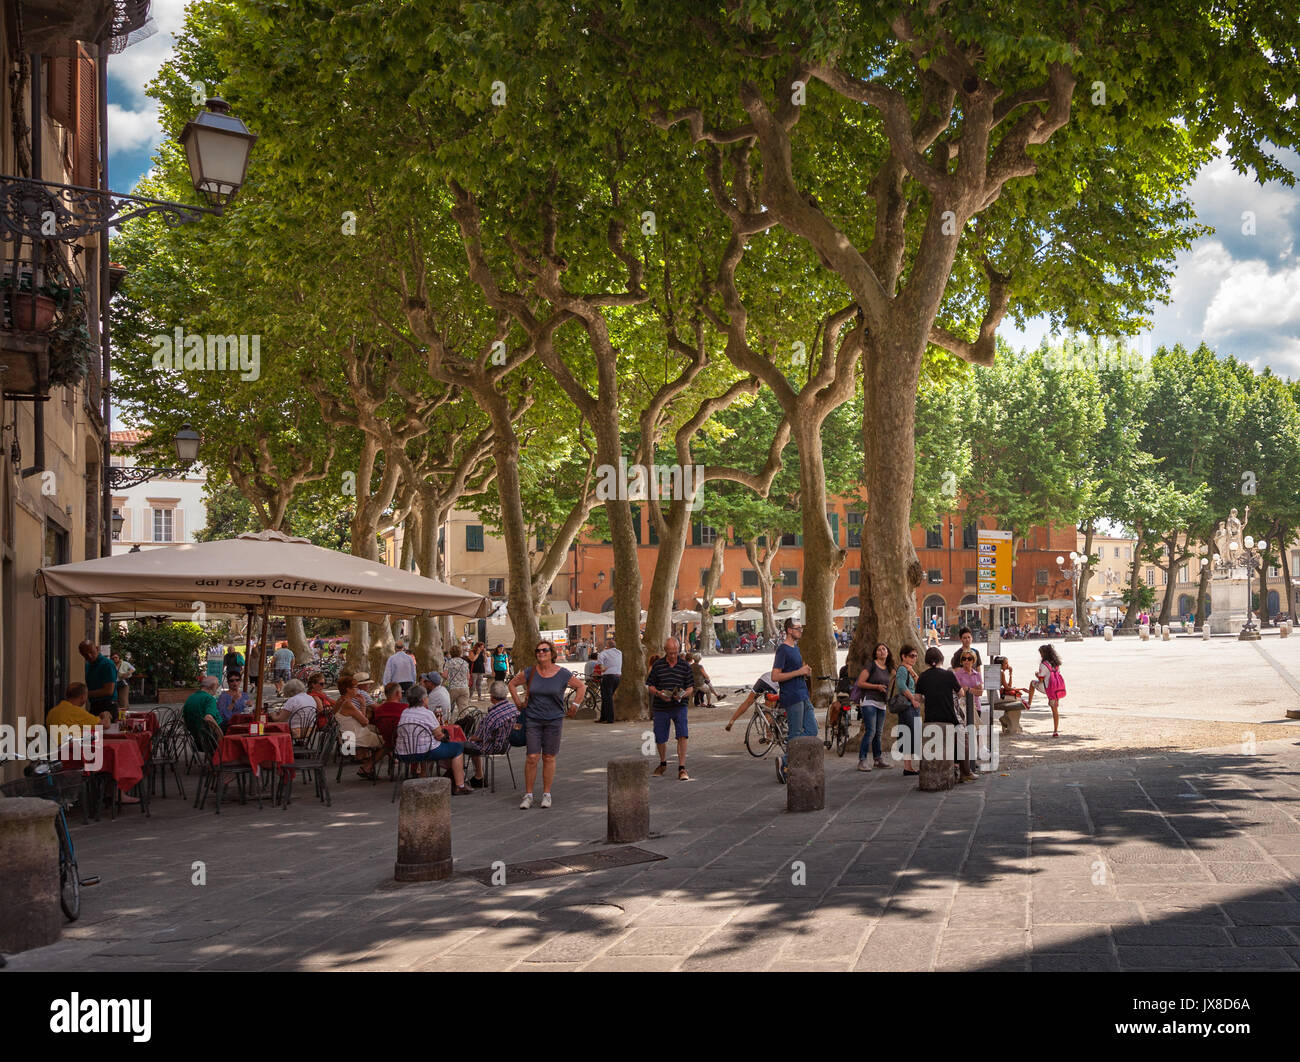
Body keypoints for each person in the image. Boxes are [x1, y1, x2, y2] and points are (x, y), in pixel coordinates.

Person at [507, 639, 584, 809]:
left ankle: (546, 794)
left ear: (552, 653)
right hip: (533, 719)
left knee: (548, 757)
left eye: (545, 650)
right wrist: (518, 702)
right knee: (532, 757)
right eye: (538, 651)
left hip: (554, 720)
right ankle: (528, 795)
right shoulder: (530, 672)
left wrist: (575, 705)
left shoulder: (562, 673)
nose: (541, 653)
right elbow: (512, 684)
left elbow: (581, 687)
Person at [914, 647, 977, 783]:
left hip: (931, 719)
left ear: (927, 661)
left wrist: (930, 698)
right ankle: (965, 772)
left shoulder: (922, 677)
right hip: (950, 718)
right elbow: (961, 693)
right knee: (963, 740)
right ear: (941, 659)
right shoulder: (948, 675)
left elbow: (917, 699)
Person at [394, 686, 472, 793]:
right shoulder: (427, 713)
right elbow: (439, 735)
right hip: (425, 752)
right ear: (423, 699)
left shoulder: (404, 713)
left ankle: (424, 777)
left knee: (426, 745)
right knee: (457, 748)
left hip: (403, 753)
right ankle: (460, 785)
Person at [646, 637, 695, 780]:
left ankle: (682, 767)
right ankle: (662, 763)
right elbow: (650, 686)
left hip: (679, 705)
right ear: (665, 651)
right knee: (660, 736)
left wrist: (683, 694)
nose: (673, 656)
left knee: (682, 734)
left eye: (675, 652)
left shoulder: (685, 666)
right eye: (670, 653)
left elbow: (691, 687)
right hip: (661, 706)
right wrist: (658, 693)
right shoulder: (658, 665)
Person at [772, 618, 816, 773]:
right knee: (795, 733)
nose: (801, 631)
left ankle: (788, 759)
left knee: (812, 730)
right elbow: (775, 676)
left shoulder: (795, 648)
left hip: (803, 694)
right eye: (798, 628)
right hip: (792, 696)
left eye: (801, 628)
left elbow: (796, 671)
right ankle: (786, 764)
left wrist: (804, 671)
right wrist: (799, 672)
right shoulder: (783, 650)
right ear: (789, 630)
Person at [462, 681, 520, 787]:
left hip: (492, 746)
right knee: (474, 743)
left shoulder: (492, 716)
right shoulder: (514, 709)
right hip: (506, 745)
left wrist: (469, 738)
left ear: (492, 697)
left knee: (464, 744)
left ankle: (476, 776)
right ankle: (478, 776)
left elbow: (480, 737)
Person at [334, 675, 385, 778]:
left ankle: (366, 764)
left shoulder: (339, 701)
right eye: (355, 687)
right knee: (388, 743)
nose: (357, 689)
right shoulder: (348, 704)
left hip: (345, 737)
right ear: (348, 689)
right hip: (355, 737)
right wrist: (363, 705)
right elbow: (365, 722)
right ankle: (367, 767)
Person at [855, 642, 894, 772]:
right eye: (879, 650)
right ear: (875, 653)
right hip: (869, 701)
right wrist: (876, 687)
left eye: (884, 649)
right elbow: (860, 682)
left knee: (878, 732)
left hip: (882, 703)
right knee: (870, 731)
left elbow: (897, 676)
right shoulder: (871, 665)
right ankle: (862, 759)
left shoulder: (889, 668)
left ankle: (878, 759)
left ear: (888, 652)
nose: (882, 651)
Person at [890, 646, 924, 774]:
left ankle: (908, 766)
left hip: (911, 705)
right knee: (909, 734)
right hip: (908, 706)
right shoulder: (903, 669)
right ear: (903, 656)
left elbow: (918, 683)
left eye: (915, 656)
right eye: (911, 656)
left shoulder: (909, 669)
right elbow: (902, 686)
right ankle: (908, 766)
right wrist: (913, 699)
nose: (914, 658)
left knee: (911, 734)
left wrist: (913, 673)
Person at [1023, 643, 1066, 737]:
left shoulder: (1043, 665)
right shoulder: (1056, 664)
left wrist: (1037, 674)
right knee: (1055, 710)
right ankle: (1055, 731)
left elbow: (1041, 679)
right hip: (1056, 689)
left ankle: (1029, 703)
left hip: (1046, 688)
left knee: (1032, 683)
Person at [953, 648, 985, 769]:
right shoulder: (958, 674)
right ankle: (963, 760)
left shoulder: (977, 675)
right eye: (964, 659)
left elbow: (980, 692)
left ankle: (972, 758)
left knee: (974, 733)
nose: (967, 661)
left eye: (969, 659)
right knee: (963, 734)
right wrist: (968, 690)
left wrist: (969, 690)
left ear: (973, 661)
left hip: (976, 706)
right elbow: (957, 691)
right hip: (962, 707)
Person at [79, 640, 118, 722]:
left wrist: (85, 694)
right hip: (94, 705)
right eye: (85, 655)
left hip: (107, 707)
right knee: (93, 734)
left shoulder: (107, 664)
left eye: (91, 652)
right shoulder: (88, 666)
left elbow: (109, 691)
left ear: (97, 649)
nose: (89, 656)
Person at [47, 682, 112, 729]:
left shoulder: (52, 712)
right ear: (83, 697)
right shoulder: (77, 713)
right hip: (72, 747)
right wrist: (106, 715)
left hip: (54, 747)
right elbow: (105, 725)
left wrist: (99, 717)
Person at [182, 676, 224, 742]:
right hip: (210, 739)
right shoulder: (209, 699)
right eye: (217, 685)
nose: (217, 687)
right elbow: (208, 718)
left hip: (197, 739)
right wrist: (220, 735)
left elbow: (184, 719)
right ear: (212, 686)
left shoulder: (191, 697)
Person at [596, 635, 621, 724]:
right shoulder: (619, 653)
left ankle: (610, 719)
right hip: (617, 677)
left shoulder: (604, 653)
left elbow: (600, 662)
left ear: (607, 646)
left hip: (608, 677)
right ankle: (603, 717)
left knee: (607, 698)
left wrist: (602, 668)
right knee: (607, 697)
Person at [443, 644, 472, 717]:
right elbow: (468, 676)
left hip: (452, 688)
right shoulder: (465, 663)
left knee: (448, 708)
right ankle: (464, 726)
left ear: (451, 653)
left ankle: (448, 724)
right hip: (464, 688)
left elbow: (445, 675)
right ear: (460, 652)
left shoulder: (449, 663)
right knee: (463, 710)